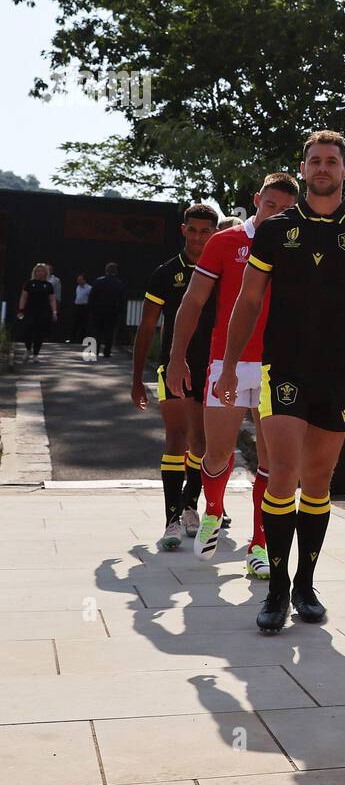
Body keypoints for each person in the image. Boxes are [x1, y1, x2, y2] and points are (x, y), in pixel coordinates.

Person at [216, 130, 345, 633]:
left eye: (332, 161)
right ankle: (277, 589)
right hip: (282, 365)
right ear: (303, 170)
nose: (323, 168)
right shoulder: (275, 229)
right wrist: (226, 365)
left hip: (336, 369)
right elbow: (248, 301)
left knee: (321, 480)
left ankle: (306, 583)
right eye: (315, 161)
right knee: (283, 471)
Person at [165, 173, 300, 578]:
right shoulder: (225, 243)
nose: (277, 214)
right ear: (257, 200)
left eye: (286, 210)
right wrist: (176, 357)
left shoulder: (297, 247)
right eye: (270, 205)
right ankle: (214, 510)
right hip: (229, 363)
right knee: (217, 453)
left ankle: (259, 545)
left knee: (273, 463)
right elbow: (192, 301)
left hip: (277, 367)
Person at [133, 205, 219, 549]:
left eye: (206, 230)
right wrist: (136, 378)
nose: (199, 237)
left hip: (212, 368)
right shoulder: (166, 273)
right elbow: (147, 327)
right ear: (183, 230)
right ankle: (171, 521)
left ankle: (189, 505)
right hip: (175, 365)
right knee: (176, 437)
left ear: (215, 232)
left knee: (202, 443)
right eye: (193, 230)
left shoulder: (225, 270)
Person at [17, 264, 57, 359]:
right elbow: (23, 297)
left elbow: (52, 299)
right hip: (29, 311)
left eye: (42, 271)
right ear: (34, 272)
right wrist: (20, 310)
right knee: (27, 331)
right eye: (38, 271)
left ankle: (36, 354)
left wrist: (54, 312)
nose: (40, 273)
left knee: (39, 333)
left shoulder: (48, 285)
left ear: (45, 273)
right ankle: (28, 349)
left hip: (43, 312)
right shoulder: (29, 283)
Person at [89, 263, 127, 358]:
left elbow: (91, 297)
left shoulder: (98, 282)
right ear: (116, 271)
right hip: (112, 311)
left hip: (98, 310)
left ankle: (95, 350)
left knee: (97, 331)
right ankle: (107, 351)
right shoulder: (119, 284)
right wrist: (119, 310)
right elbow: (122, 300)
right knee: (109, 331)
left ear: (106, 270)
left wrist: (92, 309)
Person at [70, 274, 92, 344]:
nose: (78, 281)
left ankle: (82, 340)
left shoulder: (89, 288)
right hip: (77, 306)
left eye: (80, 279)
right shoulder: (77, 287)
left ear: (84, 280)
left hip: (84, 307)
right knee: (75, 323)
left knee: (84, 324)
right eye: (78, 279)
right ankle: (72, 339)